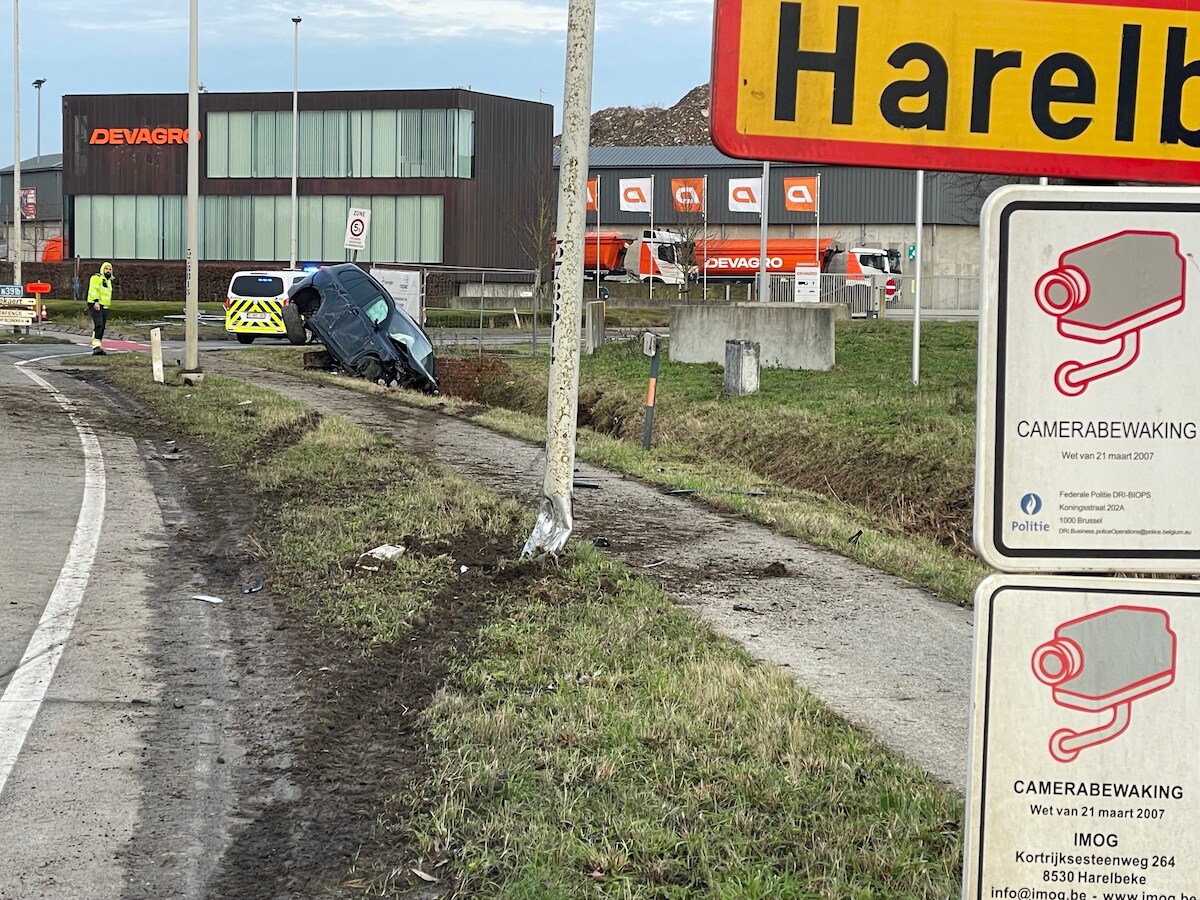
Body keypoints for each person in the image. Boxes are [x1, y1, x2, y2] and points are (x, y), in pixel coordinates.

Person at [87, 261, 114, 355]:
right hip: (95, 304)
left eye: (110, 269)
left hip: (104, 306)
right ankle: (96, 346)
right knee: (99, 324)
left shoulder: (109, 281)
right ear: (102, 269)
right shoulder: (96, 278)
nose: (108, 271)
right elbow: (93, 289)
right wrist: (96, 301)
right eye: (106, 269)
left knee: (101, 326)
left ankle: (98, 346)